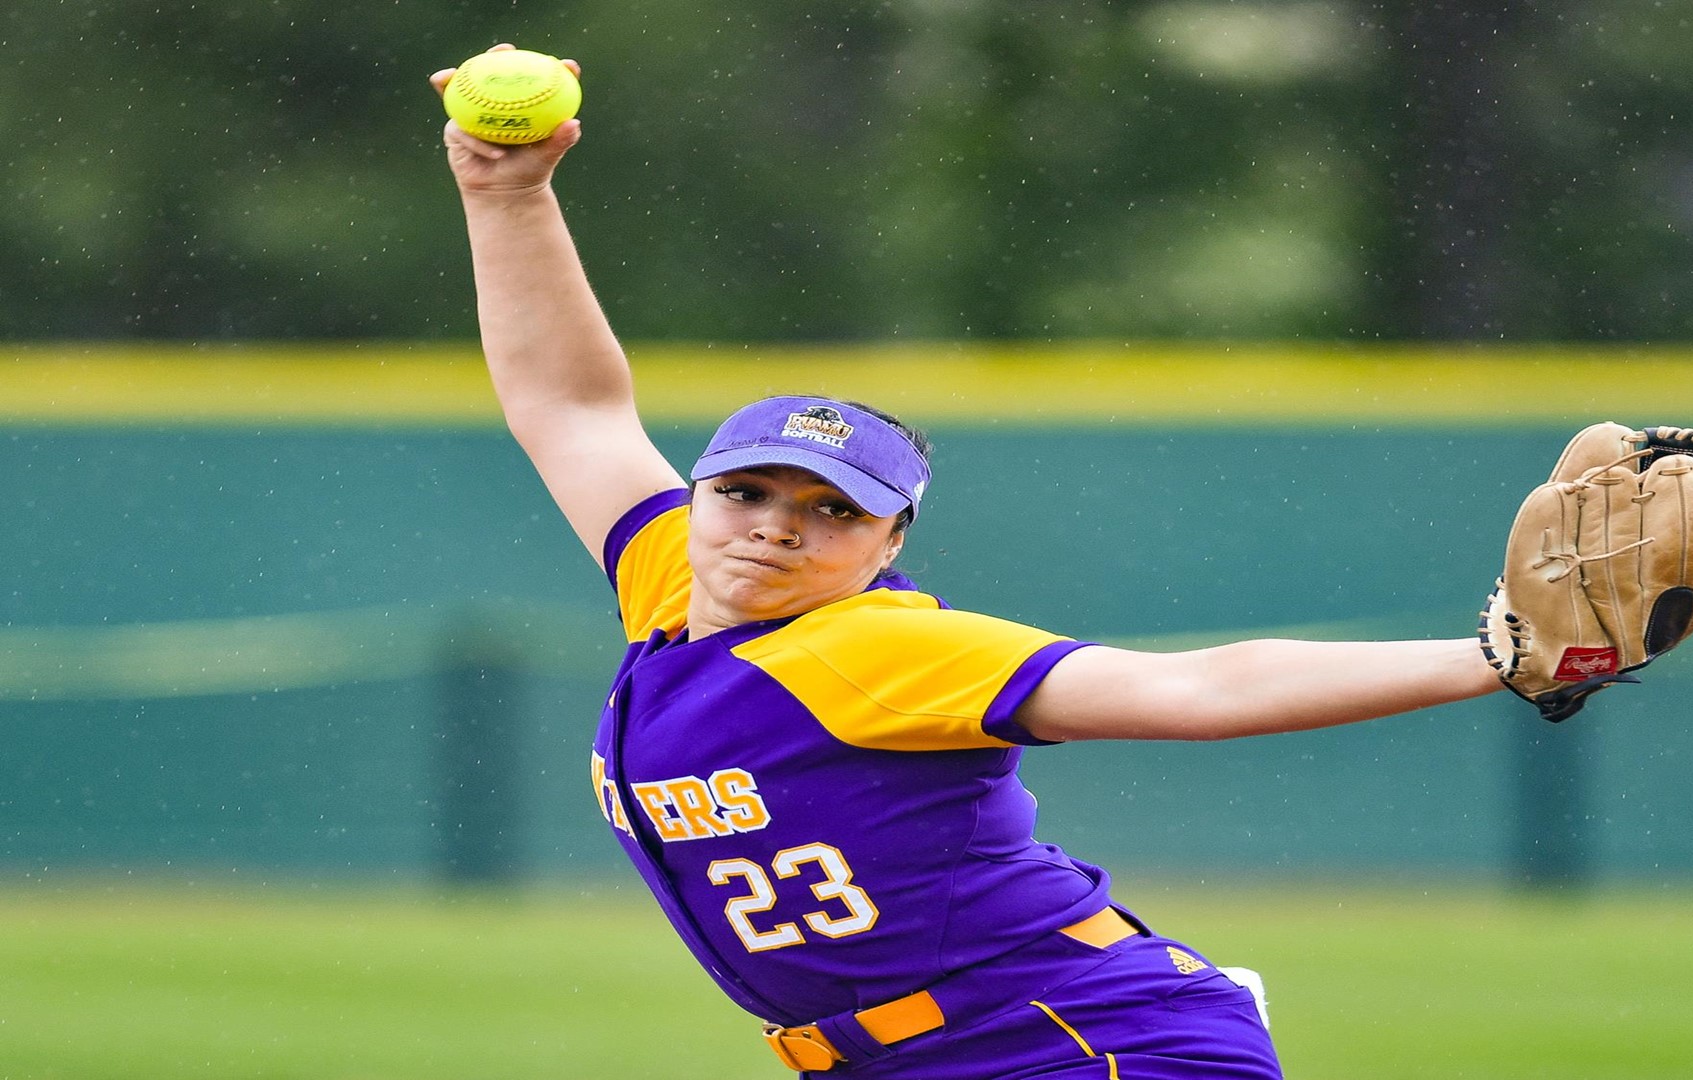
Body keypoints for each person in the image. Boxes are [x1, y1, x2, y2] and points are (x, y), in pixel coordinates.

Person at [432, 45, 1502, 1079]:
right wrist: (507, 196)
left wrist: (1498, 655)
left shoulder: (881, 648)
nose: (774, 526)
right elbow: (569, 405)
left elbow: (1198, 686)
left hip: (1077, 1042)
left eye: (831, 512)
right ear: (702, 493)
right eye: (745, 492)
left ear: (889, 544)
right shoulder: (672, 574)